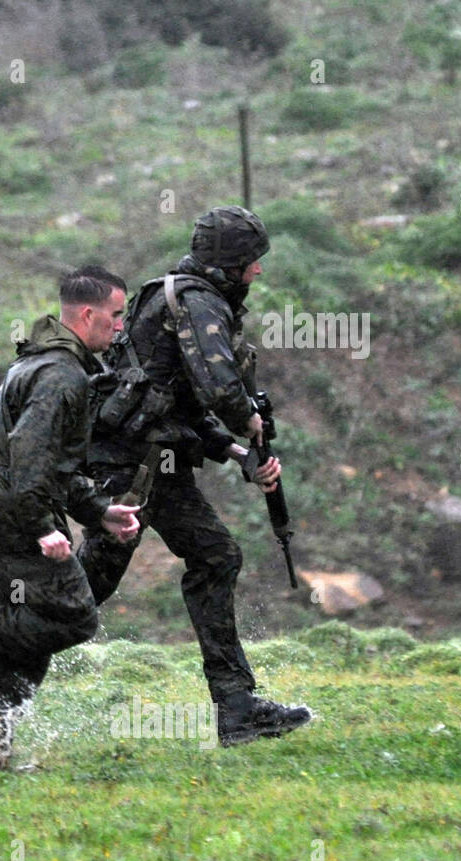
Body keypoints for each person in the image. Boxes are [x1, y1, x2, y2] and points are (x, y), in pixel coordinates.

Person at [79, 206, 312, 747]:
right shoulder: (198, 302)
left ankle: (236, 710)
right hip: (132, 470)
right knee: (85, 591)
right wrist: (248, 420)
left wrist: (238, 453)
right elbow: (218, 388)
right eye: (251, 262)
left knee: (216, 557)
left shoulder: (179, 296)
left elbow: (176, 403)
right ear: (229, 265)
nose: (257, 272)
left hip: (154, 462)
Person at [0, 266, 142, 773]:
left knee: (29, 636)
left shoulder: (46, 365)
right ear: (88, 314)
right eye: (116, 315)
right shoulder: (61, 374)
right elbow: (29, 457)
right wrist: (43, 527)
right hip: (6, 515)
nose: (121, 326)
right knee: (73, 614)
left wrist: (98, 511)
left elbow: (54, 466)